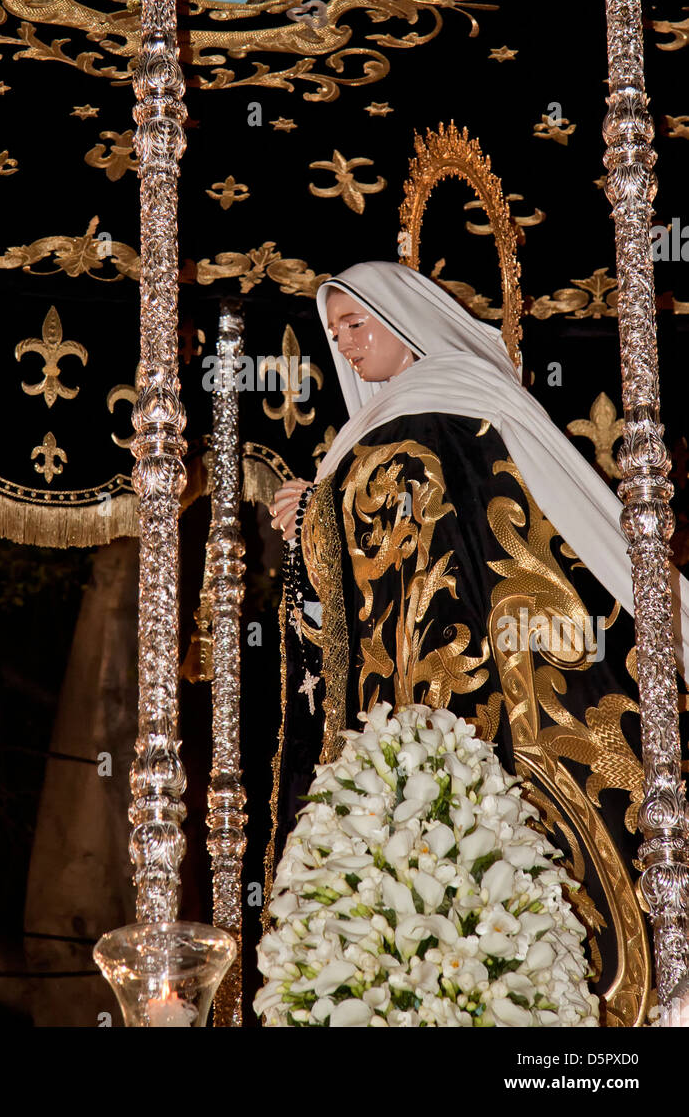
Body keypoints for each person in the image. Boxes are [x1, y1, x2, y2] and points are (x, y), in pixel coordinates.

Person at [265, 260, 689, 1026]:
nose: (348, 347)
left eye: (357, 325)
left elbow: (423, 527)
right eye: (336, 336)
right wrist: (312, 527)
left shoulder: (444, 409)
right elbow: (352, 596)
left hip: (484, 671)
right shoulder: (373, 431)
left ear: (402, 320)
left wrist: (316, 520)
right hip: (408, 694)